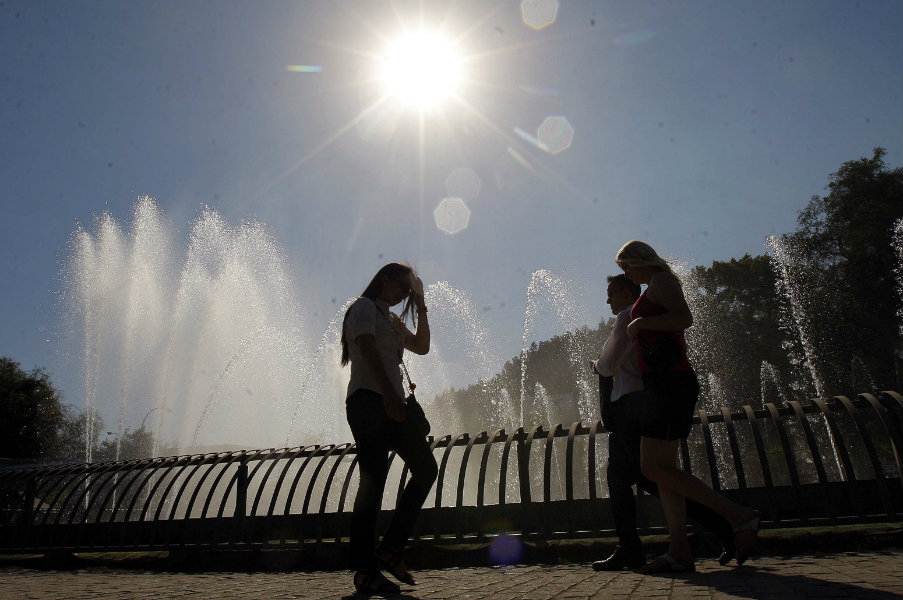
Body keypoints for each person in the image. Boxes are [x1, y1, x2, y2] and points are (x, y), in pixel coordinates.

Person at [615, 240, 761, 573]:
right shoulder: (653, 285)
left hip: (670, 384)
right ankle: (679, 550)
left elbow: (684, 318)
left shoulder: (662, 280)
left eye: (626, 265)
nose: (625, 273)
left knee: (652, 468)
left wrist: (641, 325)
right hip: (662, 383)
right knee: (663, 472)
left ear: (641, 261)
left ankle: (739, 516)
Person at [590, 274, 735, 571]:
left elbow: (606, 365)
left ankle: (631, 548)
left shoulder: (628, 317)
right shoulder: (642, 316)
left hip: (631, 410)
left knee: (627, 479)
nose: (607, 300)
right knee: (653, 478)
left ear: (626, 291)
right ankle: (724, 529)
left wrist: (595, 364)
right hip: (645, 405)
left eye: (611, 292)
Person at [340, 263, 438, 594]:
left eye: (407, 293)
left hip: (394, 403)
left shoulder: (392, 319)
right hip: (369, 401)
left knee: (425, 469)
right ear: (384, 279)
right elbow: (366, 348)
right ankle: (365, 570)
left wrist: (422, 303)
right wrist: (390, 395)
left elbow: (422, 346)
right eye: (401, 288)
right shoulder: (363, 307)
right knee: (373, 481)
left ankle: (392, 548)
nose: (402, 297)